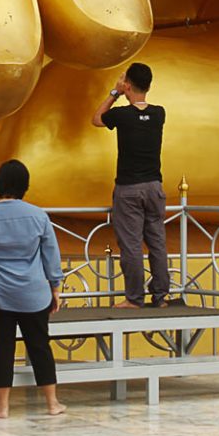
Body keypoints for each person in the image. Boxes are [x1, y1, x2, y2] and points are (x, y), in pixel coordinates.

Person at [0, 159, 66, 419]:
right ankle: (52, 403)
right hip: (34, 293)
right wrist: (55, 288)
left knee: (2, 349)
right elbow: (51, 254)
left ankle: (2, 407)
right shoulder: (38, 216)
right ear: (26, 186)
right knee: (40, 346)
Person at [91, 62, 169, 309]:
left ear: (127, 85)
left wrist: (114, 92)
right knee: (157, 241)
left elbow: (96, 119)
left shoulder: (122, 115)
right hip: (154, 186)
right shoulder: (159, 113)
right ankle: (161, 296)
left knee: (132, 245)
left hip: (129, 188)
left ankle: (134, 298)